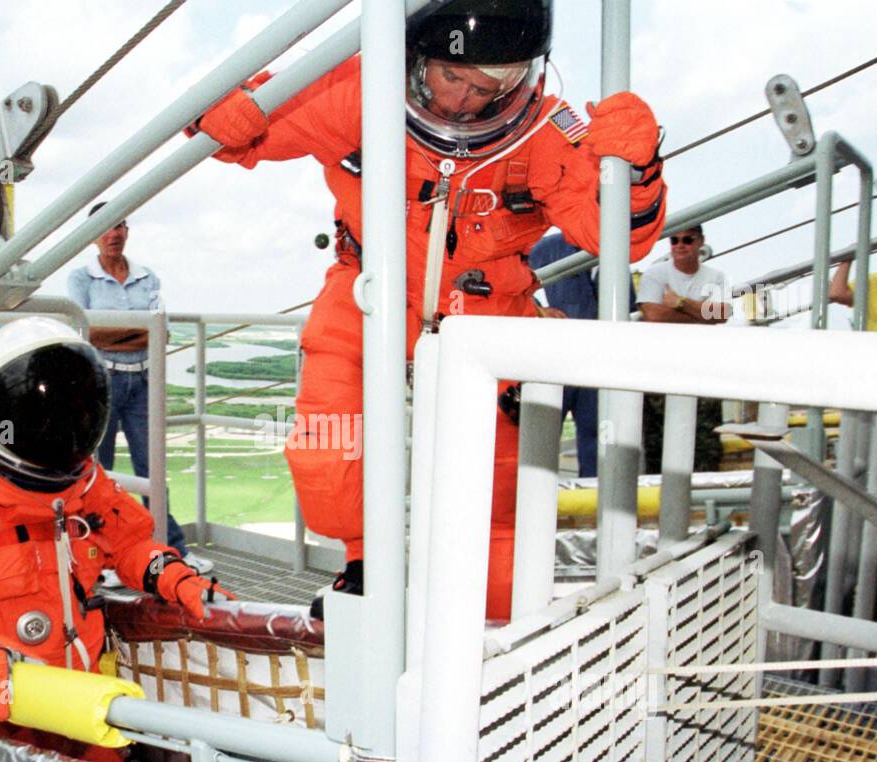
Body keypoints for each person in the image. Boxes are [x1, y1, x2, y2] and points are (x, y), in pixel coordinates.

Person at [194, 0, 668, 619]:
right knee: (327, 450)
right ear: (417, 60)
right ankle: (365, 568)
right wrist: (226, 108)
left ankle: (501, 611)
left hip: (492, 307)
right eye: (454, 78)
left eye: (492, 86)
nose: (469, 102)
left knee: (501, 485)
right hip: (369, 289)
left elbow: (617, 232)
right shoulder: (356, 93)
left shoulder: (545, 133)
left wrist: (637, 169)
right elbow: (246, 124)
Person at [0, 317, 230, 752]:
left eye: (69, 415)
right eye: (39, 417)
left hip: (83, 703)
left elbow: (130, 544)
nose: (56, 432)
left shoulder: (83, 480)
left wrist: (174, 576)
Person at [67, 202, 213, 580]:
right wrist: (136, 331)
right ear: (93, 236)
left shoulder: (147, 277)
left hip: (143, 380)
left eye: (119, 225)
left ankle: (172, 550)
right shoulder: (81, 279)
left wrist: (120, 331)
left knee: (152, 469)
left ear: (127, 231)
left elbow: (159, 332)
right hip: (100, 383)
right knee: (98, 472)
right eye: (105, 227)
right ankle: (101, 557)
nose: (113, 234)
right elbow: (85, 331)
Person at [529, 231, 637, 478]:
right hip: (554, 357)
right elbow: (510, 282)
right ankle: (533, 505)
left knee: (595, 438)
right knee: (541, 439)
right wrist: (537, 309)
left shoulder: (612, 250)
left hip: (596, 358)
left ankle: (592, 508)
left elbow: (627, 304)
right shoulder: (547, 247)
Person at [636, 224, 728, 472]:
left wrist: (679, 302)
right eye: (674, 240)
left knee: (706, 442)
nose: (680, 245)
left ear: (700, 242)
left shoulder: (714, 276)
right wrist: (699, 313)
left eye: (687, 240)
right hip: (661, 368)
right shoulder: (656, 273)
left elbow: (721, 314)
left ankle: (703, 501)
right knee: (658, 441)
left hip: (702, 368)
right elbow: (653, 314)